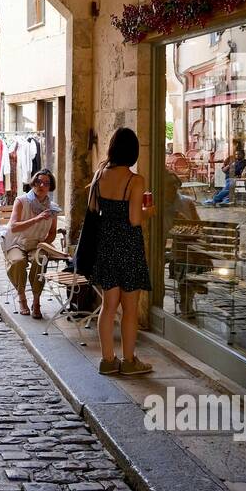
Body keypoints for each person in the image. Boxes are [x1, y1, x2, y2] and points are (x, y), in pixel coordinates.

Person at [87, 127, 155, 376]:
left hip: (106, 245)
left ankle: (107, 360)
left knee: (108, 306)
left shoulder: (99, 175)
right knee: (130, 308)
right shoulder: (135, 180)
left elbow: (93, 208)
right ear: (133, 152)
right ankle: (128, 361)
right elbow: (135, 219)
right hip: (128, 246)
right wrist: (150, 211)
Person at [1, 169, 59, 318]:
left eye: (46, 183)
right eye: (39, 181)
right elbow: (13, 227)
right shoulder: (21, 201)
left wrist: (44, 244)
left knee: (40, 260)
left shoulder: (52, 208)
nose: (41, 185)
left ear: (50, 187)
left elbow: (52, 232)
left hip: (37, 244)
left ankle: (36, 300)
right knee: (18, 261)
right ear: (33, 183)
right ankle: (22, 297)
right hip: (17, 242)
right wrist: (37, 219)